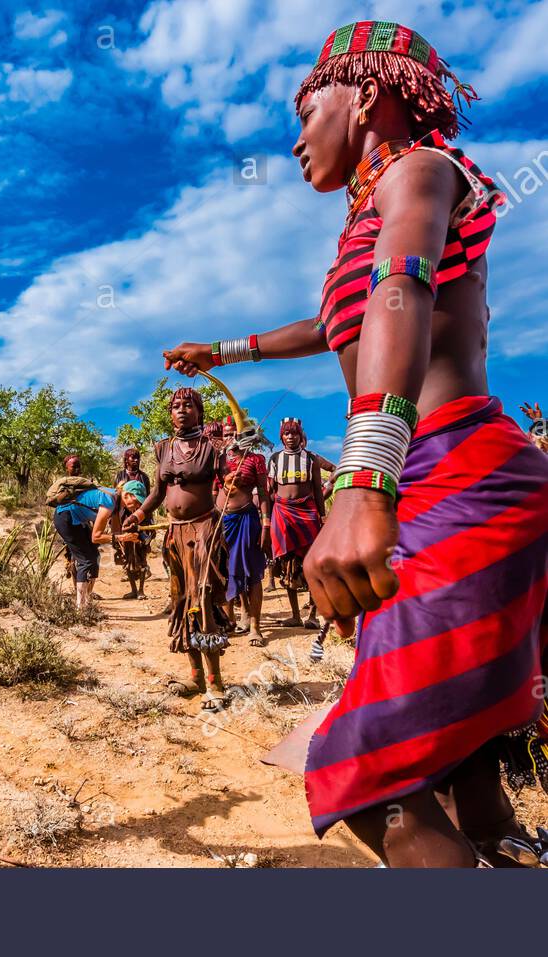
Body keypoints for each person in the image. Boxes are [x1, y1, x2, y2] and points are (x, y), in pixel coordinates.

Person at [163, 21, 548, 867]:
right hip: (432, 472)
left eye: (307, 111)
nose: (296, 139)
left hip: (453, 473)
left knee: (370, 768)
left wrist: (364, 482)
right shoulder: (374, 213)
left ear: (366, 95)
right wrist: (221, 350)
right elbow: (329, 320)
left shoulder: (420, 172)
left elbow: (399, 293)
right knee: (458, 758)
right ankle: (503, 852)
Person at [123, 389, 231, 712]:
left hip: (204, 532)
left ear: (199, 411)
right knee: (182, 602)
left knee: (203, 600)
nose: (181, 410)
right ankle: (195, 676)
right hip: (175, 535)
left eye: (187, 405)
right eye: (175, 406)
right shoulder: (164, 448)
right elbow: (158, 491)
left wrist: (232, 479)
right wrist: (138, 515)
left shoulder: (213, 449)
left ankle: (216, 684)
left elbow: (227, 481)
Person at [267, 418, 331, 640]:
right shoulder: (275, 459)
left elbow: (315, 488)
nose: (290, 437)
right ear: (281, 436)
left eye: (294, 433)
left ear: (300, 435)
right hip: (283, 515)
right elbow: (270, 490)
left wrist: (321, 516)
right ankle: (294, 614)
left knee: (310, 564)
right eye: (286, 433)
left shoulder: (311, 459)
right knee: (287, 563)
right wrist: (266, 516)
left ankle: (312, 613)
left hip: (308, 514)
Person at [218, 415, 272, 646]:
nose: (231, 437)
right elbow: (212, 491)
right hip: (222, 521)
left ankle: (256, 628)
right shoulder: (219, 460)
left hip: (247, 520)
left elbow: (263, 492)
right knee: (224, 571)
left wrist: (266, 524)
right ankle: (228, 621)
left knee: (251, 573)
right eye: (227, 433)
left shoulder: (255, 459)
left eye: (234, 433)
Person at [48, 454, 114, 610]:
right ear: (67, 468)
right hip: (69, 521)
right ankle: (80, 604)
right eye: (73, 466)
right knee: (80, 560)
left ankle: (87, 597)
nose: (77, 468)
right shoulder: (63, 485)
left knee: (93, 556)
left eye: (78, 465)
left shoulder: (86, 484)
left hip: (82, 522)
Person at [97, 480, 154, 599]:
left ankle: (141, 591)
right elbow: (117, 523)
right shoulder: (120, 507)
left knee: (142, 562)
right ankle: (134, 590)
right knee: (127, 563)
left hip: (140, 539)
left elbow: (149, 522)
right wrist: (120, 536)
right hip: (125, 538)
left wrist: (145, 535)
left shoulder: (142, 507)